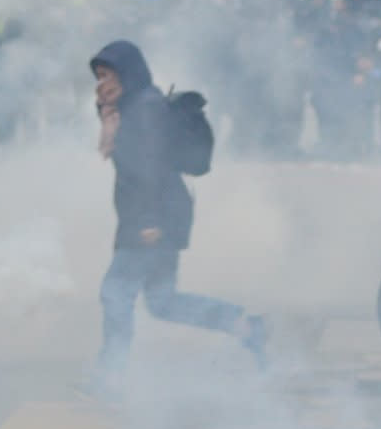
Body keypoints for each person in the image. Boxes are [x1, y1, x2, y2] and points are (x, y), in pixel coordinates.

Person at [90, 40, 267, 388]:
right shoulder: (131, 107)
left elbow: (150, 169)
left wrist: (149, 222)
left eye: (108, 75)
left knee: (116, 292)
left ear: (128, 73)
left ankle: (110, 376)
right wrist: (107, 116)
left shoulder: (144, 110)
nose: (102, 83)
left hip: (152, 218)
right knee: (162, 301)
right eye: (98, 76)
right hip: (158, 216)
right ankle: (245, 326)